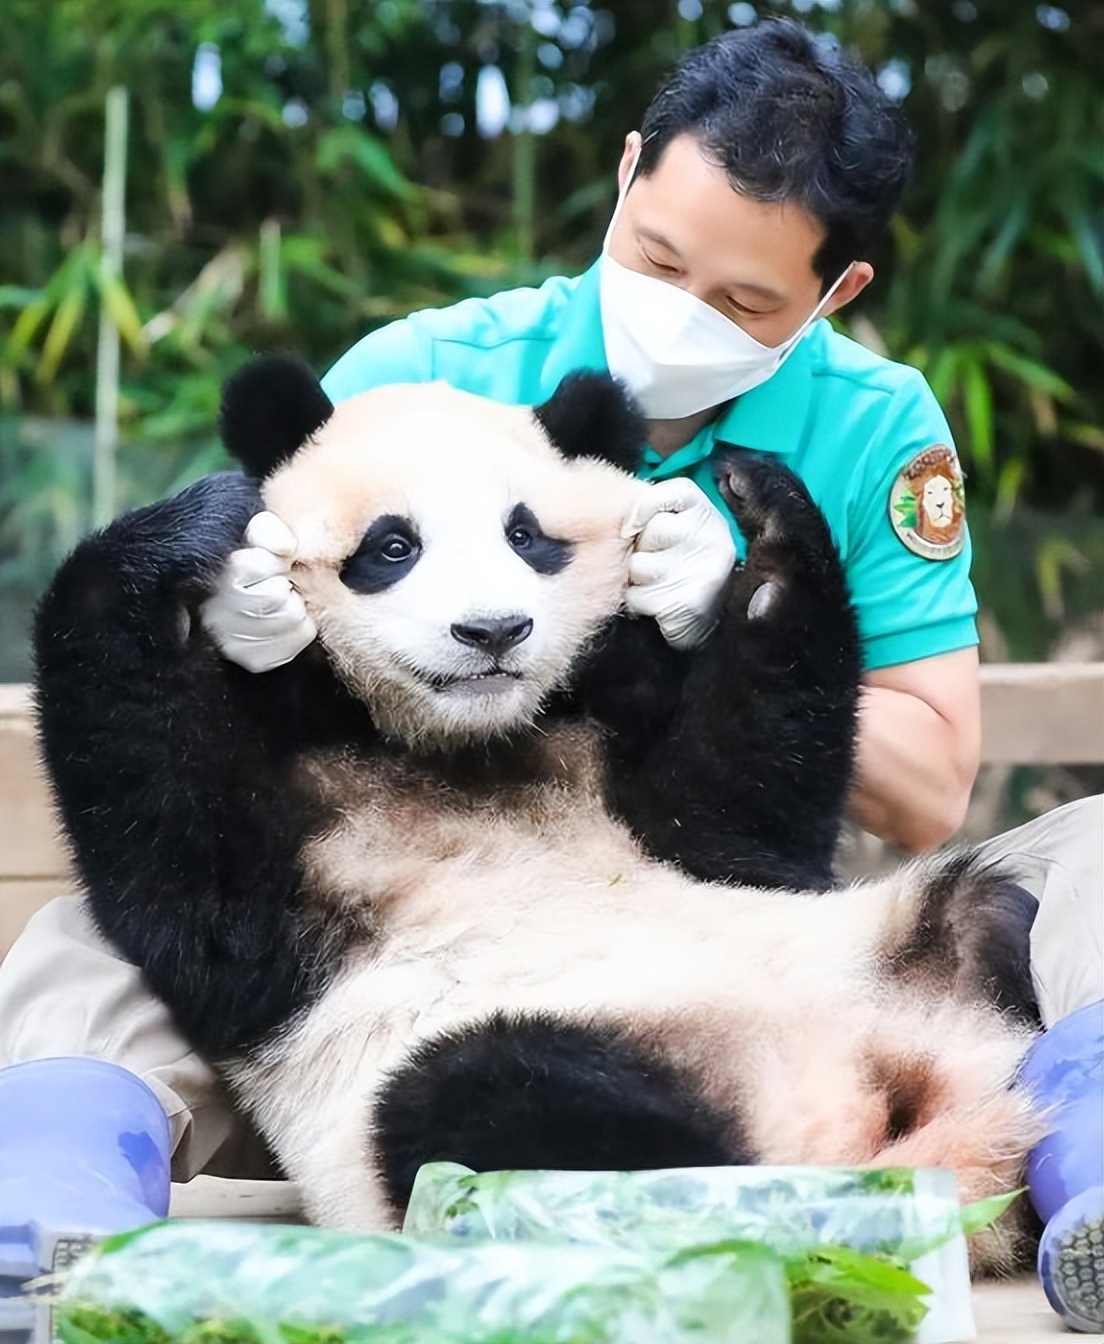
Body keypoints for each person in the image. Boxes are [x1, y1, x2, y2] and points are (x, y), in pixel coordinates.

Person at [1, 18, 1099, 1332]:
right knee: (87, 941)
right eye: (659, 257)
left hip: (701, 905)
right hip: (407, 937)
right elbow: (226, 745)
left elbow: (907, 793)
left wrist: (738, 627)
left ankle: (1085, 1171)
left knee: (1091, 850)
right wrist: (206, 603)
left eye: (745, 301)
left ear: (834, 293)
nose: (685, 310)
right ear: (627, 175)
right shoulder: (422, 376)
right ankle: (42, 1223)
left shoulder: (875, 425)